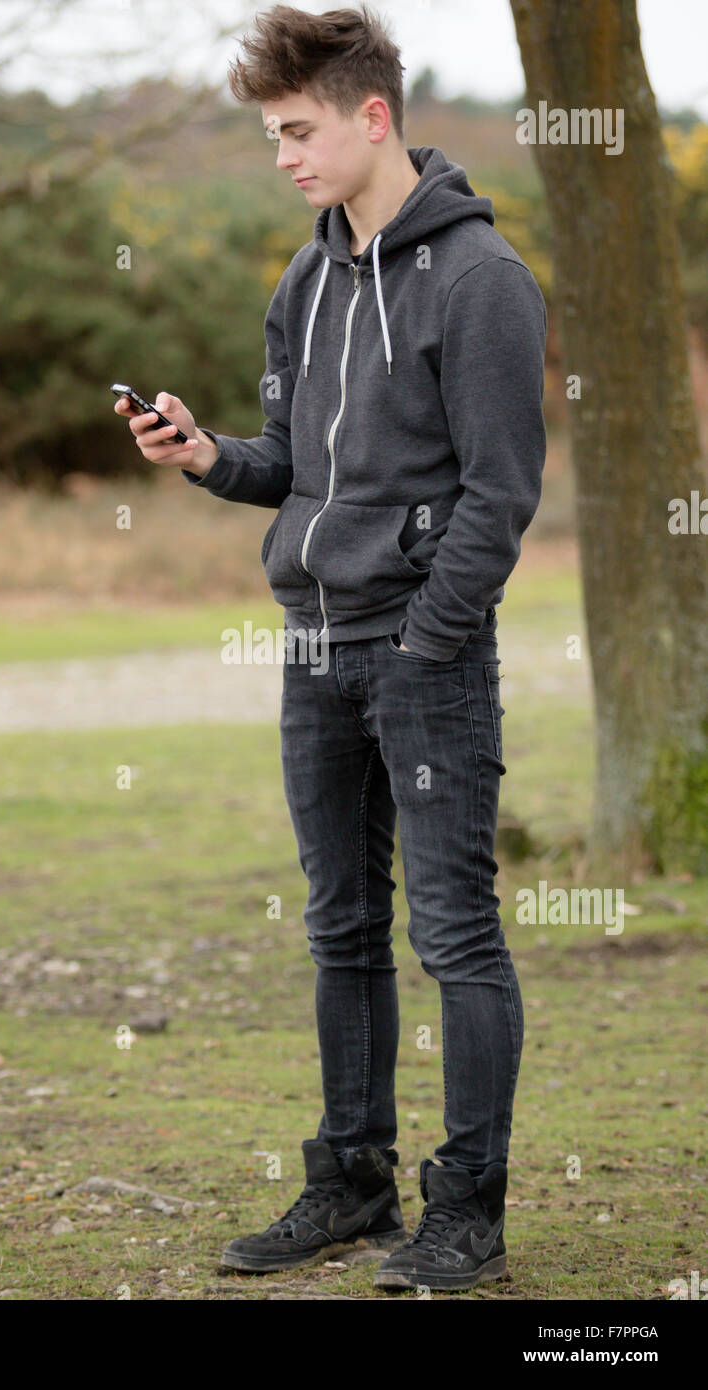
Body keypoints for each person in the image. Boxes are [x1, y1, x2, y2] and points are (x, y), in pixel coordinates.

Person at [115, 2, 547, 1292]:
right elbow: (301, 474)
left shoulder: (481, 280)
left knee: (455, 933)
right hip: (312, 649)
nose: (286, 155)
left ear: (374, 117)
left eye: (300, 130)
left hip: (426, 657)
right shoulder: (304, 282)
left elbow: (501, 494)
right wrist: (205, 459)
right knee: (340, 927)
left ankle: (466, 1212)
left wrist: (425, 634)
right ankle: (350, 1183)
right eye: (270, 135)